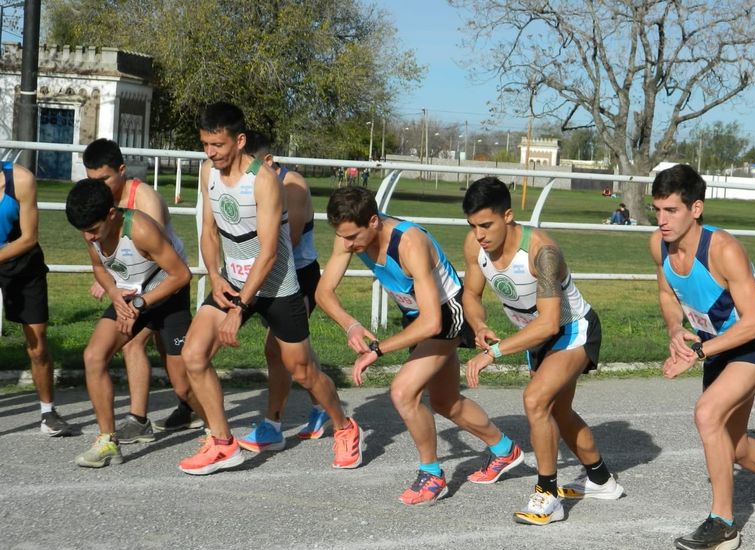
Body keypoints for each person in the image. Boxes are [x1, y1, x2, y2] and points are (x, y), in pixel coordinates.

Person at [177, 102, 362, 475]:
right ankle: (223, 444)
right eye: (205, 145)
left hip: (277, 287)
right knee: (193, 355)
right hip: (233, 284)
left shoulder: (264, 180)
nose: (211, 152)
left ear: (239, 140)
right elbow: (209, 231)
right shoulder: (206, 172)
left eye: (218, 145)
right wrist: (215, 275)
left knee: (304, 371)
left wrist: (239, 309)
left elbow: (269, 252)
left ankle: (345, 426)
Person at [316, 186, 522, 505]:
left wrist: (378, 349)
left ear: (373, 221)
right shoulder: (349, 235)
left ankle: (432, 475)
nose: (346, 245)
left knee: (403, 392)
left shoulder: (409, 243)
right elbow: (323, 292)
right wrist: (351, 324)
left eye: (352, 237)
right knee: (445, 402)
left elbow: (433, 323)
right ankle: (505, 450)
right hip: (417, 316)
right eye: (341, 237)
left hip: (446, 313)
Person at [649, 164, 755, 550]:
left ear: (695, 209)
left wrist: (698, 351)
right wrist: (676, 330)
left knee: (707, 413)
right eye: (656, 210)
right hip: (716, 347)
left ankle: (723, 523)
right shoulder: (657, 244)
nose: (661, 220)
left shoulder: (723, 249)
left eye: (670, 210)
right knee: (735, 446)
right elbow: (666, 294)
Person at [462, 177, 623, 526]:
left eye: (486, 225)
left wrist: (494, 352)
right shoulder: (475, 247)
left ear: (507, 216)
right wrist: (479, 326)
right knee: (558, 413)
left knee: (535, 400)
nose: (480, 235)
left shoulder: (542, 252)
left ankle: (548, 495)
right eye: (473, 226)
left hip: (572, 329)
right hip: (536, 337)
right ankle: (600, 479)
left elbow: (550, 323)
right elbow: (471, 296)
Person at [65, 179, 193, 467]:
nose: (89, 238)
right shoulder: (92, 233)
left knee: (184, 385)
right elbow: (99, 267)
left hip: (166, 296)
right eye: (84, 232)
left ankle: (216, 432)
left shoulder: (141, 229)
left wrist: (140, 304)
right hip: (131, 299)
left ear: (111, 215)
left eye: (94, 230)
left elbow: (181, 275)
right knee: (94, 356)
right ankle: (108, 440)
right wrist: (113, 293)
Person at [82, 138, 202, 441]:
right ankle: (139, 419)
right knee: (131, 345)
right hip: (134, 287)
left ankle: (208, 418)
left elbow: (154, 262)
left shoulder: (144, 200)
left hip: (164, 282)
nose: (98, 186)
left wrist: (129, 299)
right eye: (91, 180)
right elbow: (105, 253)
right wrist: (110, 285)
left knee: (177, 368)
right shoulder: (99, 207)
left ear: (122, 171)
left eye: (105, 179)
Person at [237, 131, 329, 451]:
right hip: (265, 273)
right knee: (293, 353)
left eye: (249, 164)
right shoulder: (252, 181)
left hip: (298, 274)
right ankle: (323, 407)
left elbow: (285, 241)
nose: (243, 170)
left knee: (277, 351)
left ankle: (273, 426)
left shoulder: (293, 185)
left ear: (267, 161)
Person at [0, 161, 75, 436]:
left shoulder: (20, 179)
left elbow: (29, 238)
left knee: (37, 346)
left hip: (22, 265)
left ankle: (48, 413)